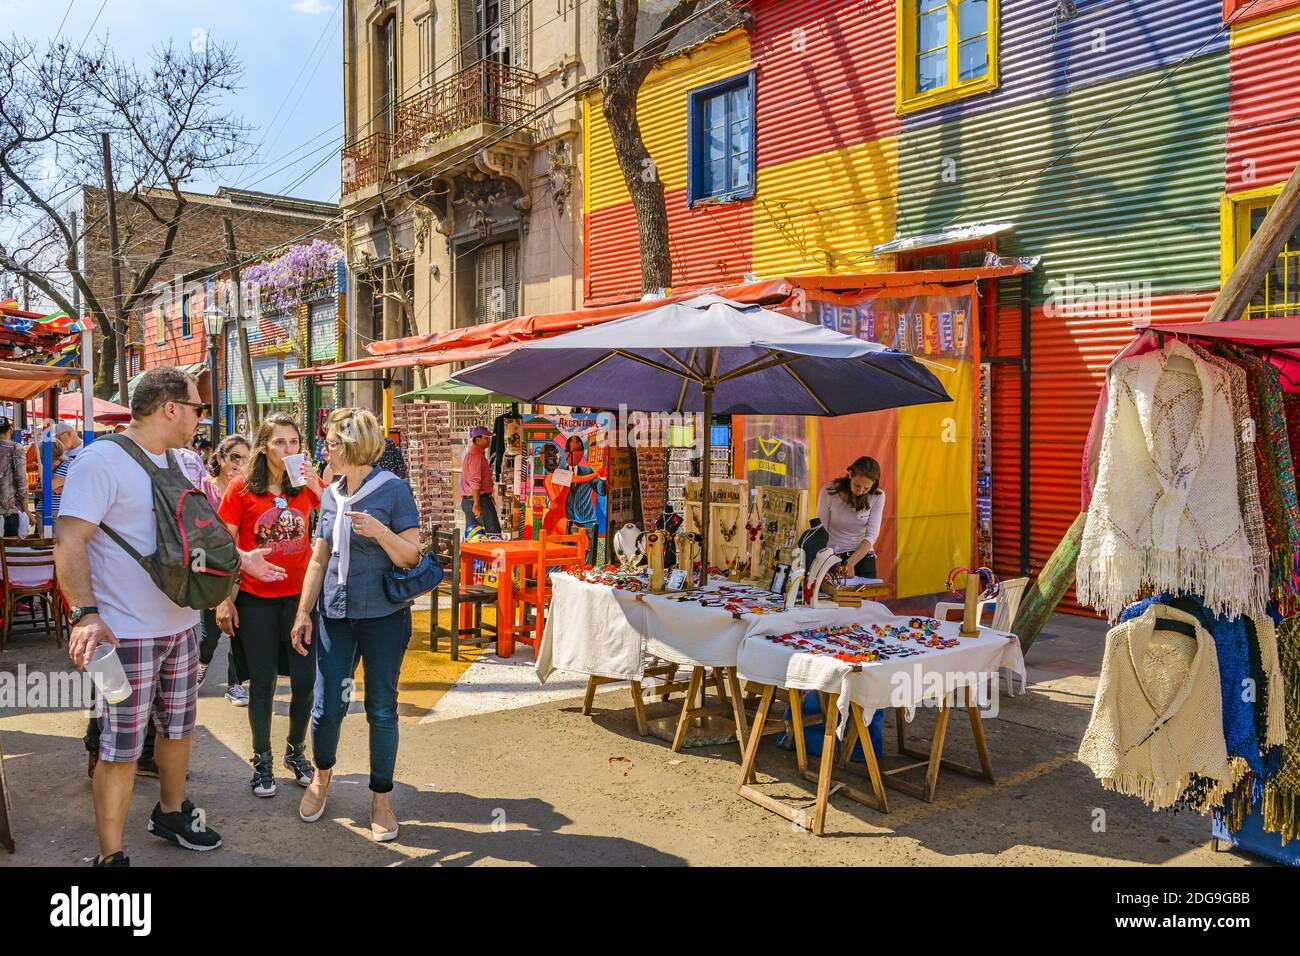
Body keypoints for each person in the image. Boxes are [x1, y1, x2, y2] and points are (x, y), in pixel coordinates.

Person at [57, 367, 224, 866]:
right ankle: (112, 857)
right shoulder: (100, 461)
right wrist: (85, 614)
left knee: (178, 729)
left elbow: (192, 536)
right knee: (118, 743)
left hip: (180, 627)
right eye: (197, 408)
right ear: (171, 408)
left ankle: (170, 812)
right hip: (118, 635)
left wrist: (235, 568)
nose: (199, 418)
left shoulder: (179, 461)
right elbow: (69, 538)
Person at [293, 408, 421, 842]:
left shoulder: (393, 490)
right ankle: (321, 777)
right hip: (335, 616)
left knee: (381, 709)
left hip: (384, 617)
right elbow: (319, 557)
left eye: (329, 442)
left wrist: (381, 533)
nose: (323, 448)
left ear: (349, 446)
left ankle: (381, 798)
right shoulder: (330, 495)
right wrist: (301, 612)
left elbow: (411, 557)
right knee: (328, 706)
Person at [216, 413, 324, 798]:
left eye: (294, 442)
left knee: (306, 682)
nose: (288, 450)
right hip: (257, 600)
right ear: (264, 445)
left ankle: (296, 753)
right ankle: (262, 760)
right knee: (262, 683)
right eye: (279, 442)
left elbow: (335, 523)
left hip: (301, 599)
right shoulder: (242, 488)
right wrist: (226, 599)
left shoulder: (305, 486)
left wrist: (318, 486)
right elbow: (224, 547)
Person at [198, 435, 252, 706]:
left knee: (240, 630)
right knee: (211, 634)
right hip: (212, 568)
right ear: (219, 458)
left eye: (244, 458)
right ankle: (201, 665)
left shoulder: (249, 490)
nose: (238, 464)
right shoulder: (204, 489)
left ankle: (235, 683)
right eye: (234, 457)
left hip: (243, 567)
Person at [815, 455, 886, 579]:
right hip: (832, 558)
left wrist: (851, 562)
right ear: (850, 474)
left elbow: (871, 535)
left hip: (862, 557)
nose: (860, 491)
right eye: (857, 485)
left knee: (865, 597)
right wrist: (828, 560)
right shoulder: (829, 491)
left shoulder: (878, 496)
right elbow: (820, 531)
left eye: (866, 488)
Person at [561, 435, 605, 565]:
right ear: (567, 453)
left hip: (587, 520)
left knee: (589, 558)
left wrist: (603, 477)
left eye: (581, 452)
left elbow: (601, 491)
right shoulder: (560, 472)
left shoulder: (587, 470)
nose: (579, 455)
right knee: (566, 555)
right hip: (568, 521)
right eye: (576, 451)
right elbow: (551, 498)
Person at [460, 425, 499, 534]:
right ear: (478, 439)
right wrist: (477, 503)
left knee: (474, 535)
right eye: (486, 438)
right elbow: (474, 481)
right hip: (478, 500)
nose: (489, 440)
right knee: (494, 534)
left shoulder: (475, 455)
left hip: (474, 499)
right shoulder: (475, 456)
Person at [47, 422, 83, 520]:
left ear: (69, 433)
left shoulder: (87, 449)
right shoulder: (58, 453)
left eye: (58, 437)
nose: (57, 441)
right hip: (58, 505)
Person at [0, 416, 28, 537]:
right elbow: (21, 478)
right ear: (10, 429)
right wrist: (26, 508)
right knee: (8, 550)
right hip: (8, 509)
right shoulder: (16, 447)